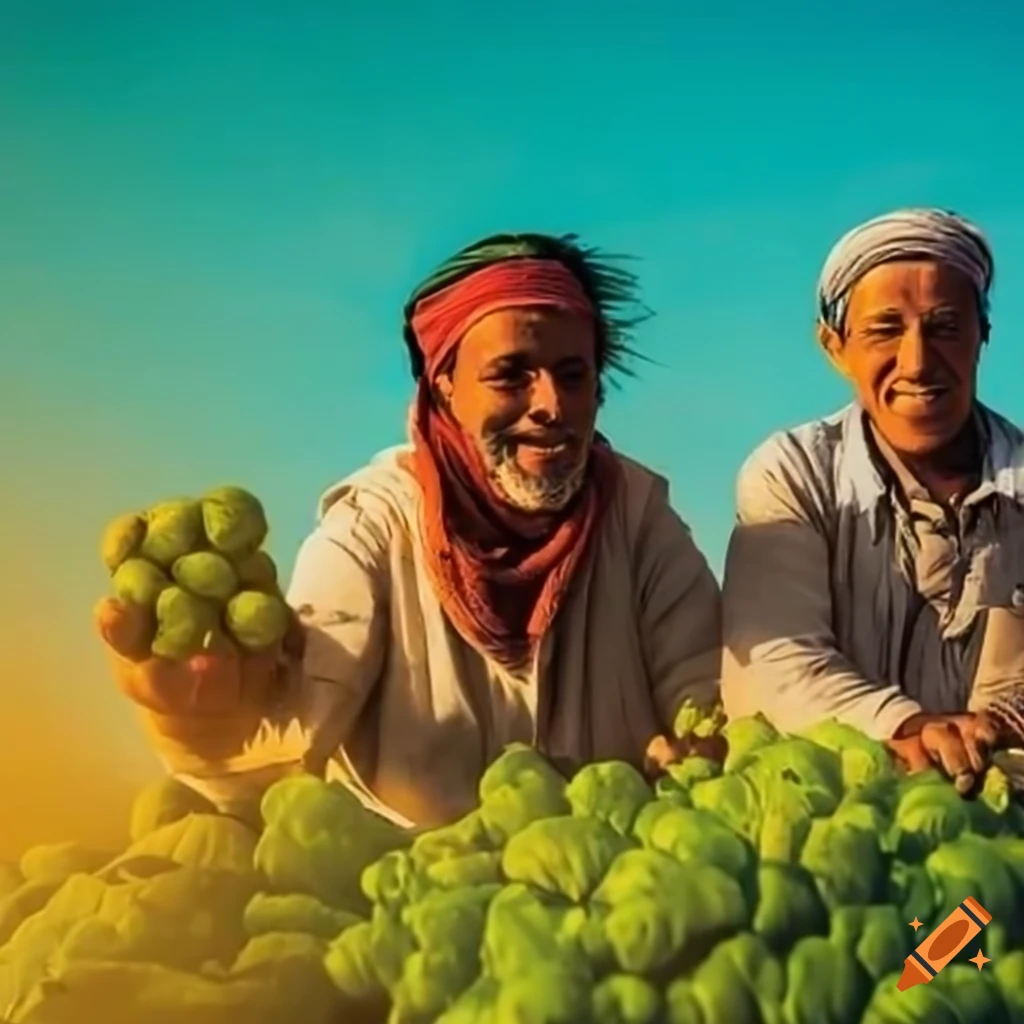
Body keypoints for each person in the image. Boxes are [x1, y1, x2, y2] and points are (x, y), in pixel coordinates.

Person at [96, 232, 722, 828]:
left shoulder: (638, 517)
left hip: (621, 894)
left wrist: (702, 753)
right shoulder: (372, 526)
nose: (551, 404)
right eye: (510, 374)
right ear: (443, 384)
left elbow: (711, 694)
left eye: (574, 374)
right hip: (408, 900)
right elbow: (290, 745)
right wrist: (196, 726)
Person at [721, 208, 1024, 788]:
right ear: (835, 347)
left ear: (982, 335)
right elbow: (772, 667)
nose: (916, 362)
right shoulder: (794, 472)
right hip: (838, 821)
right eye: (886, 329)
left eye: (944, 327)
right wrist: (910, 726)